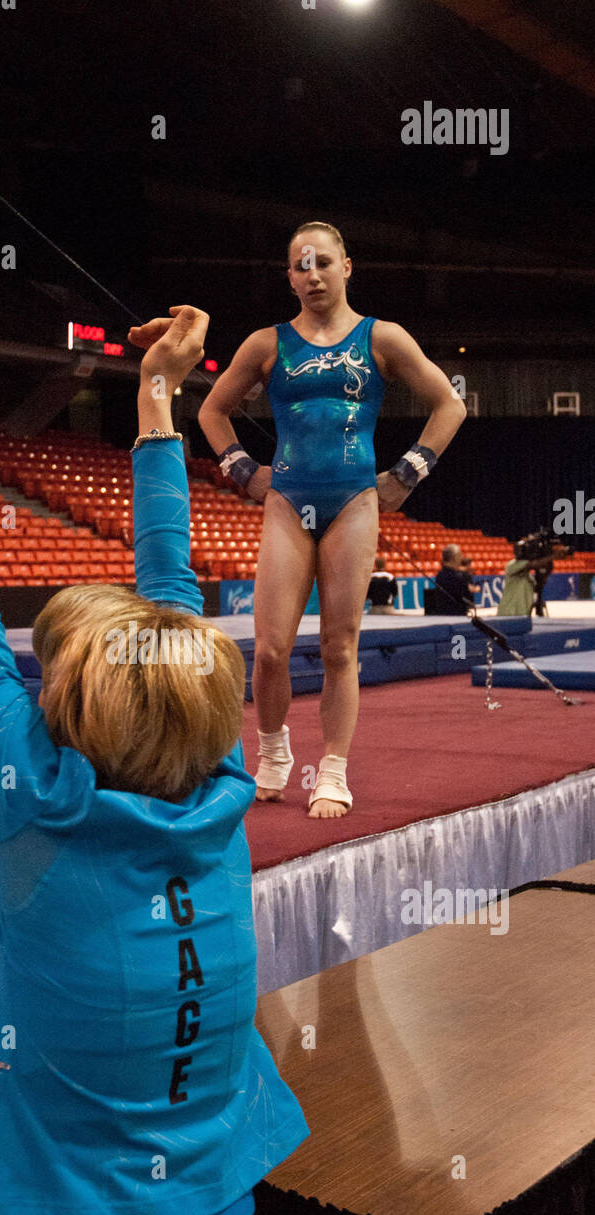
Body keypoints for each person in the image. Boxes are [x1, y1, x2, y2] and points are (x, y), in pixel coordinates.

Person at [0, 272, 309, 1215]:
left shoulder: (36, 799)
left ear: (67, 708)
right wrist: (155, 399)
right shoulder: (219, 778)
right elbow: (166, 595)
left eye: (50, 669)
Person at [198, 221, 466, 818]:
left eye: (323, 262)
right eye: (300, 265)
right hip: (288, 499)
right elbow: (213, 410)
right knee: (269, 649)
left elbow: (450, 403)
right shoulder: (266, 345)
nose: (312, 274)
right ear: (289, 277)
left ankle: (334, 771)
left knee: (340, 646)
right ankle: (272, 754)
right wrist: (243, 469)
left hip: (353, 501)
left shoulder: (383, 338)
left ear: (347, 267)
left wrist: (408, 472)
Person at [430, 543, 475, 615]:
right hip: (454, 617)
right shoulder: (454, 577)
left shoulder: (441, 575)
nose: (461, 558)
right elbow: (468, 592)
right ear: (454, 557)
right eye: (459, 555)